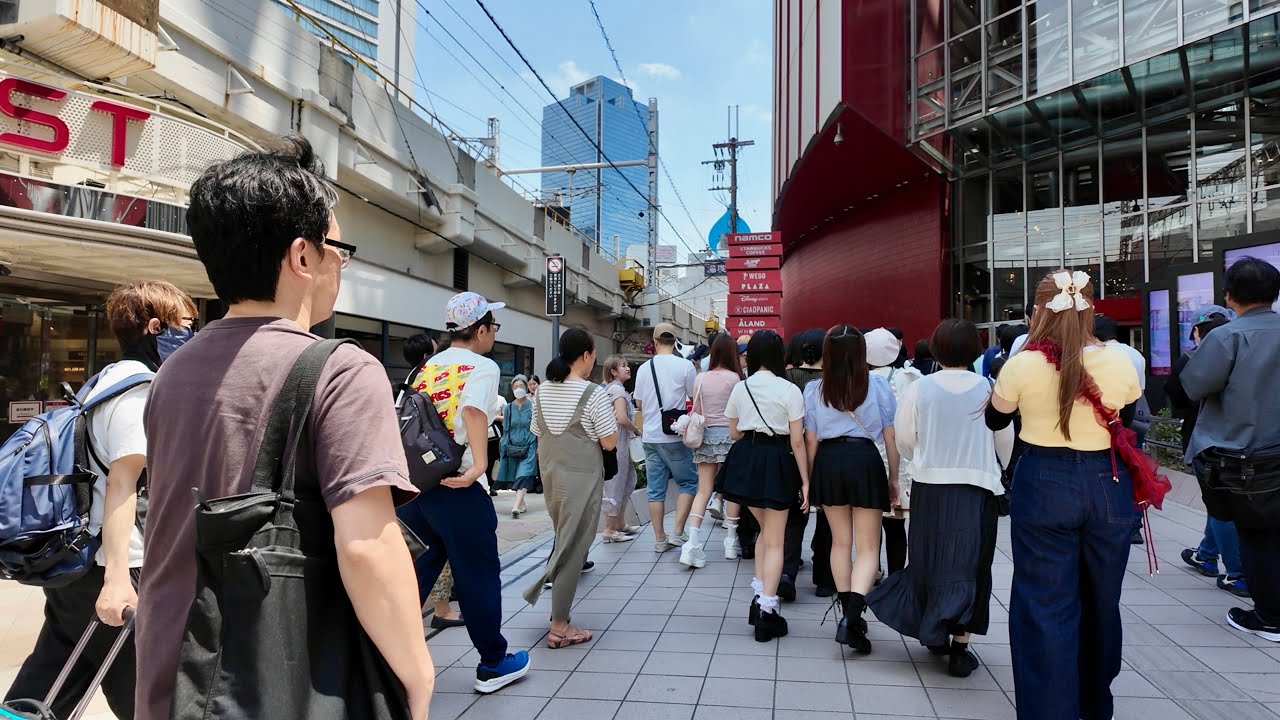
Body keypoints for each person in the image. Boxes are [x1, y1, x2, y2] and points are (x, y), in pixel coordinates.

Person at [136, 138, 434, 720]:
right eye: (339, 249)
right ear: (302, 256)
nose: (341, 264)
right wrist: (417, 674)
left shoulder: (172, 372)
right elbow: (367, 546)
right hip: (282, 679)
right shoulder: (341, 370)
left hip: (171, 668)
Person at [3, 282, 195, 719]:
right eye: (186, 324)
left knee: (49, 683)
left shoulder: (102, 382)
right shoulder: (137, 390)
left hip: (80, 562)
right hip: (115, 565)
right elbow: (122, 483)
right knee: (151, 696)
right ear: (155, 327)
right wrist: (116, 581)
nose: (192, 334)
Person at [988, 270, 1141, 720]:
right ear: (1092, 309)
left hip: (1045, 479)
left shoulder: (1022, 363)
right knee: (1101, 600)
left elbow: (997, 420)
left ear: (1038, 311)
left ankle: (1050, 710)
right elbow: (1128, 415)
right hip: (1108, 481)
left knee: (1044, 602)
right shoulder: (1120, 360)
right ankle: (1094, 706)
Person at [397, 291, 531, 693]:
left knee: (416, 572)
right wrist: (478, 466)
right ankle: (493, 663)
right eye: (494, 326)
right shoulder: (482, 366)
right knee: (478, 573)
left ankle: (384, 657)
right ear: (482, 329)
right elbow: (473, 409)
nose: (494, 334)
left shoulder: (426, 367)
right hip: (459, 485)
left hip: (421, 487)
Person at [868, 319, 1014, 678]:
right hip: (977, 488)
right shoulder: (989, 387)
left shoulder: (921, 388)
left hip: (931, 487)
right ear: (975, 349)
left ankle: (933, 629)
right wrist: (995, 467)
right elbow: (1004, 438)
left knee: (929, 560)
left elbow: (904, 438)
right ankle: (960, 646)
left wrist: (923, 456)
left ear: (936, 349)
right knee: (973, 565)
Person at [1180, 257, 1280, 642]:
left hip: (1247, 456)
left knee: (1256, 536)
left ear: (1229, 296)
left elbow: (1194, 386)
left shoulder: (1226, 337)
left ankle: (1269, 616)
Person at [803, 325, 898, 654]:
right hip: (865, 460)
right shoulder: (877, 385)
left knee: (839, 542)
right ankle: (853, 617)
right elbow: (890, 437)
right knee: (868, 547)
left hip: (828, 462)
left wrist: (809, 480)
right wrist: (894, 478)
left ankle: (848, 614)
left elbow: (810, 440)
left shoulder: (815, 390)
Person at [524, 328, 618, 648]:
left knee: (565, 540)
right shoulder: (593, 393)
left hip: (552, 476)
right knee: (574, 549)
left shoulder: (542, 392)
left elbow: (538, 431)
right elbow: (609, 442)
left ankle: (557, 615)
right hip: (583, 479)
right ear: (586, 355)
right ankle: (560, 627)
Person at [717, 331, 810, 642]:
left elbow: (734, 432)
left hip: (746, 459)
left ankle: (761, 600)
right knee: (775, 540)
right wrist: (806, 480)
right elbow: (797, 441)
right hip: (777, 461)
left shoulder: (741, 387)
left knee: (764, 533)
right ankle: (766, 613)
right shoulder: (789, 390)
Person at [1165, 309, 1246, 597]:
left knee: (1220, 505)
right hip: (1249, 440)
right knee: (1222, 502)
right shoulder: (1247, 352)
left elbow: (1178, 398)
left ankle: (1237, 573)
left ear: (1199, 332)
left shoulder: (1193, 360)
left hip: (1208, 442)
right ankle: (1206, 553)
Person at [633, 322, 700, 552]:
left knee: (655, 490)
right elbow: (693, 395)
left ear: (654, 341)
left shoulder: (644, 368)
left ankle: (660, 539)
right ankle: (677, 532)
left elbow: (639, 403)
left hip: (650, 436)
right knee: (688, 483)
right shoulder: (685, 366)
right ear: (675, 342)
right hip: (674, 435)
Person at [680, 334, 742, 567]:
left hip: (706, 437)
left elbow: (696, 408)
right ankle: (730, 542)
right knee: (732, 491)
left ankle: (692, 542)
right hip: (731, 437)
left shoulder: (701, 377)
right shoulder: (735, 378)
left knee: (703, 490)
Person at [866, 328, 922, 578]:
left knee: (869, 524)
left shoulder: (858, 380)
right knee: (896, 523)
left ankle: (871, 571)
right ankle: (897, 576)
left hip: (867, 457)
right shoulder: (910, 377)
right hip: (899, 458)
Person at [785, 329, 832, 597]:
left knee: (795, 515)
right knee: (827, 517)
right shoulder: (831, 380)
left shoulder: (788, 378)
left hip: (793, 452)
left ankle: (788, 572)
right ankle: (824, 578)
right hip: (826, 453)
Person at [601, 356, 642, 542]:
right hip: (619, 442)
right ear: (613, 371)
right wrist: (637, 430)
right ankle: (609, 529)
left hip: (619, 441)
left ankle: (619, 523)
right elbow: (622, 418)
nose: (627, 368)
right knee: (617, 484)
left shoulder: (613, 388)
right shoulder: (617, 390)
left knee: (627, 480)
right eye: (623, 366)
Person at [501, 376, 539, 519]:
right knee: (516, 475)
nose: (518, 389)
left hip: (529, 445)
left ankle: (516, 506)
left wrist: (538, 445)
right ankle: (521, 503)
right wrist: (503, 446)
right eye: (515, 387)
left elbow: (537, 427)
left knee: (523, 474)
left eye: (521, 386)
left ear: (526, 387)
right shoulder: (509, 408)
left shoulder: (533, 406)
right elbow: (506, 429)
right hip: (512, 446)